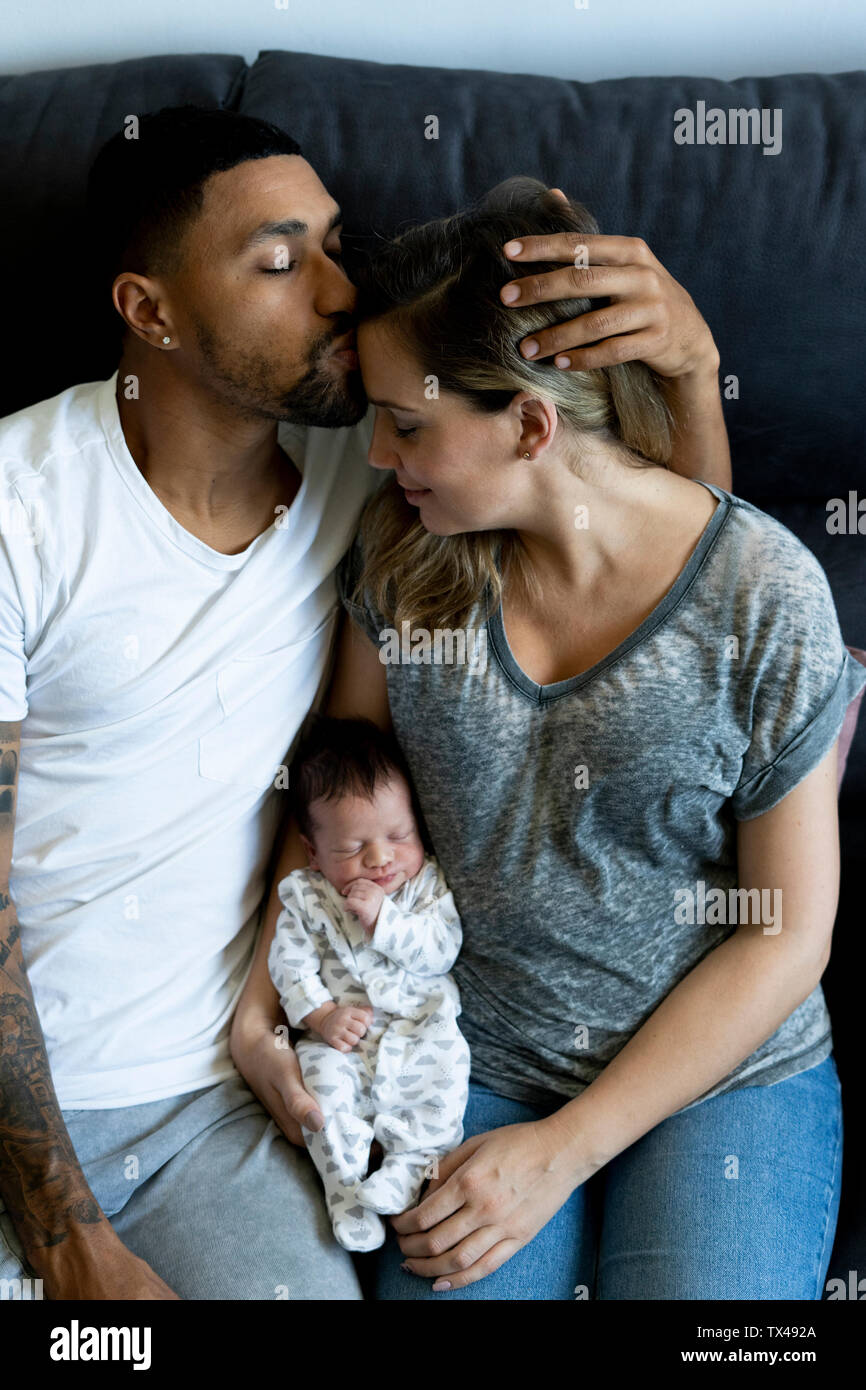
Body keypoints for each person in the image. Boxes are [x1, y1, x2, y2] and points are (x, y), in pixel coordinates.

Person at [0, 104, 731, 1301]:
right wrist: (71, 1238)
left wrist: (687, 367)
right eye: (282, 262)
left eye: (338, 244)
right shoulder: (21, 513)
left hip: (217, 1110)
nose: (340, 292)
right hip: (30, 1108)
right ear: (150, 310)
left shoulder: (387, 458)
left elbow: (682, 595)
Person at [266, 175, 861, 1299]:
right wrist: (284, 1006)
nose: (379, 460)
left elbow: (783, 937)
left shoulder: (764, 593)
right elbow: (339, 796)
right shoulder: (406, 556)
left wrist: (564, 1149)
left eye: (407, 426)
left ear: (531, 422)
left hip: (720, 1072)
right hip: (469, 1055)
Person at [268, 715, 470, 1253]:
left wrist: (388, 921)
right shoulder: (307, 897)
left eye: (398, 836)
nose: (380, 858)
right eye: (353, 848)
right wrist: (320, 1017)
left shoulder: (424, 886)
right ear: (314, 854)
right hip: (342, 1039)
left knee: (443, 1086)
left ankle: (407, 1169)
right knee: (321, 1087)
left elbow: (441, 948)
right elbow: (288, 966)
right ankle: (345, 1189)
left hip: (419, 1029)